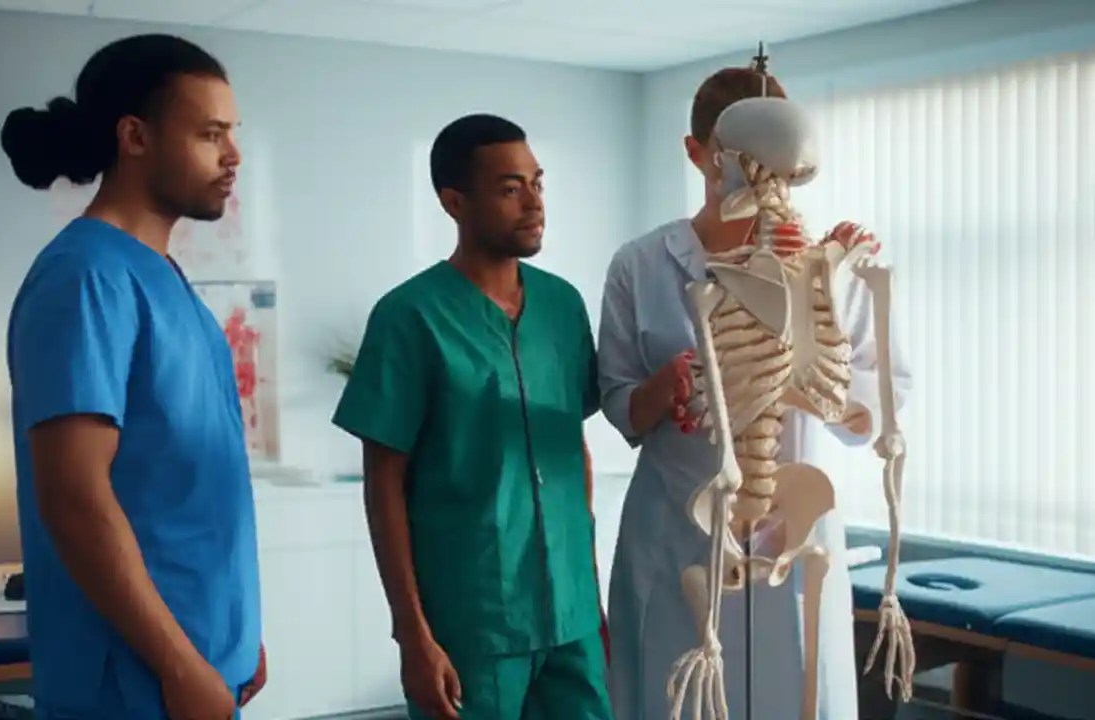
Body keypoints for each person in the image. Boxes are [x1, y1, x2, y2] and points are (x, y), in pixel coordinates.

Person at [597, 60, 913, 719]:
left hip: (792, 529)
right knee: (669, 698)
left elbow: (879, 407)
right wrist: (668, 386)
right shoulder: (641, 264)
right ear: (699, 153)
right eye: (741, 154)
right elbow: (620, 406)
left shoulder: (833, 266)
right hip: (677, 528)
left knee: (793, 692)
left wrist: (809, 366)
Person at [2, 34, 265, 719]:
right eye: (211, 133)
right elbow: (75, 497)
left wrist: (236, 633)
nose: (233, 155)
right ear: (135, 137)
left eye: (232, 133)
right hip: (135, 680)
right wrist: (180, 662)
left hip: (200, 657)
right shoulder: (86, 277)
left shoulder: (165, 281)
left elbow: (183, 488)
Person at [332, 113, 613, 720]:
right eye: (511, 189)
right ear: (454, 202)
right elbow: (383, 484)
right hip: (473, 622)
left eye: (538, 183)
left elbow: (574, 450)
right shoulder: (409, 317)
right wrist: (412, 635)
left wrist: (590, 595)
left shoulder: (562, 306)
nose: (535, 203)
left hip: (572, 618)